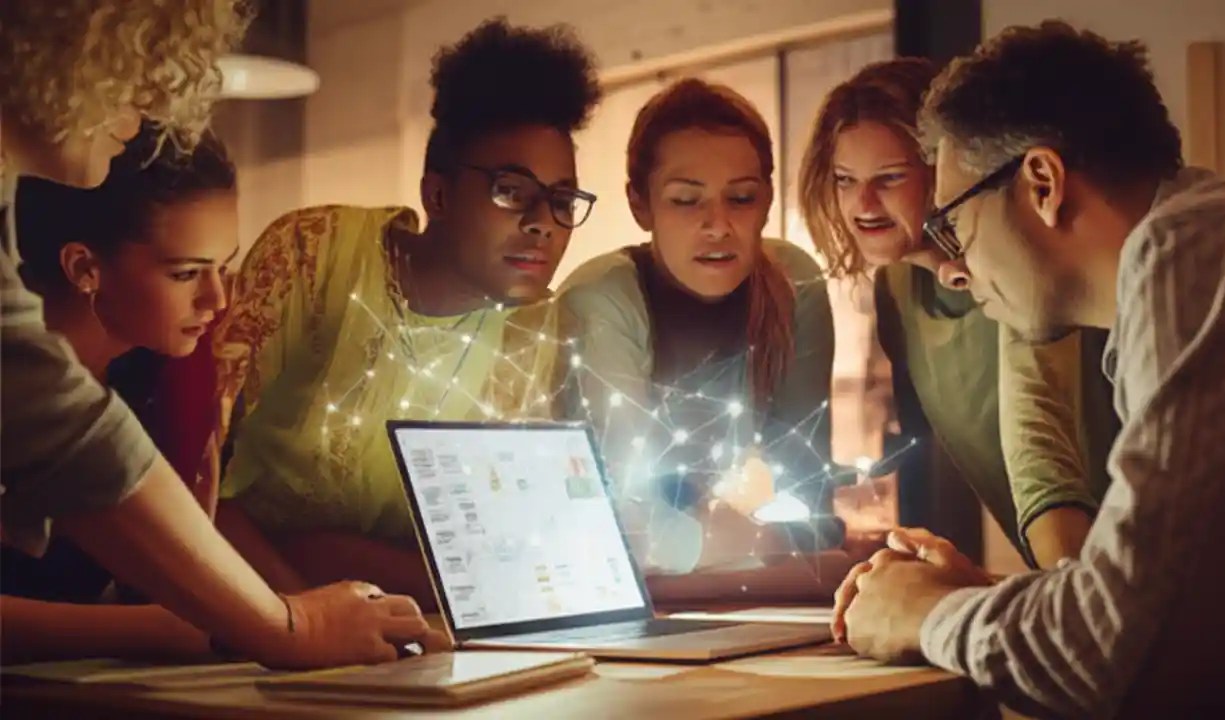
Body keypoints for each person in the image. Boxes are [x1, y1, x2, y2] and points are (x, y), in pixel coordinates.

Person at [831, 22, 1225, 717]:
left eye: (953, 220)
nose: (959, 264)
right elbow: (1214, 633)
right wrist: (989, 602)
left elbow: (1132, 661)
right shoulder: (1217, 243)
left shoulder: (1191, 246)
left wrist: (929, 616)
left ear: (1042, 181)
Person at [0, 1, 438, 668]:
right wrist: (281, 624)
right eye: (125, 76)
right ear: (54, 51)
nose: (145, 114)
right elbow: (65, 435)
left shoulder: (164, 383)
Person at [213, 18, 602, 605]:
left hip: (398, 627)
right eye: (511, 191)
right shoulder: (315, 254)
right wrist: (298, 621)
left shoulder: (538, 333)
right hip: (227, 604)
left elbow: (485, 558)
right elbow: (190, 472)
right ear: (437, 195)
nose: (542, 222)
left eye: (562, 200)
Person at [798, 58, 1119, 569]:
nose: (862, 203)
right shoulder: (897, 289)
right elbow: (934, 462)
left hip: (1130, 569)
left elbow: (1048, 465)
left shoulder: (1021, 265)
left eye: (889, 177)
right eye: (843, 179)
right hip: (1058, 583)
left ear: (943, 169)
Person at [557, 78, 839, 576]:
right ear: (640, 204)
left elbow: (808, 491)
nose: (717, 225)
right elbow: (623, 523)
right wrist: (758, 541)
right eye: (687, 201)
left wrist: (780, 539)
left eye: (742, 198)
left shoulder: (795, 283)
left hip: (728, 572)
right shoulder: (602, 299)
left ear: (768, 199)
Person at [1, 130, 239, 661]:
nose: (216, 299)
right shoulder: (16, 401)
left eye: (223, 267)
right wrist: (159, 629)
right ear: (85, 268)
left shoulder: (160, 387)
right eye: (186, 273)